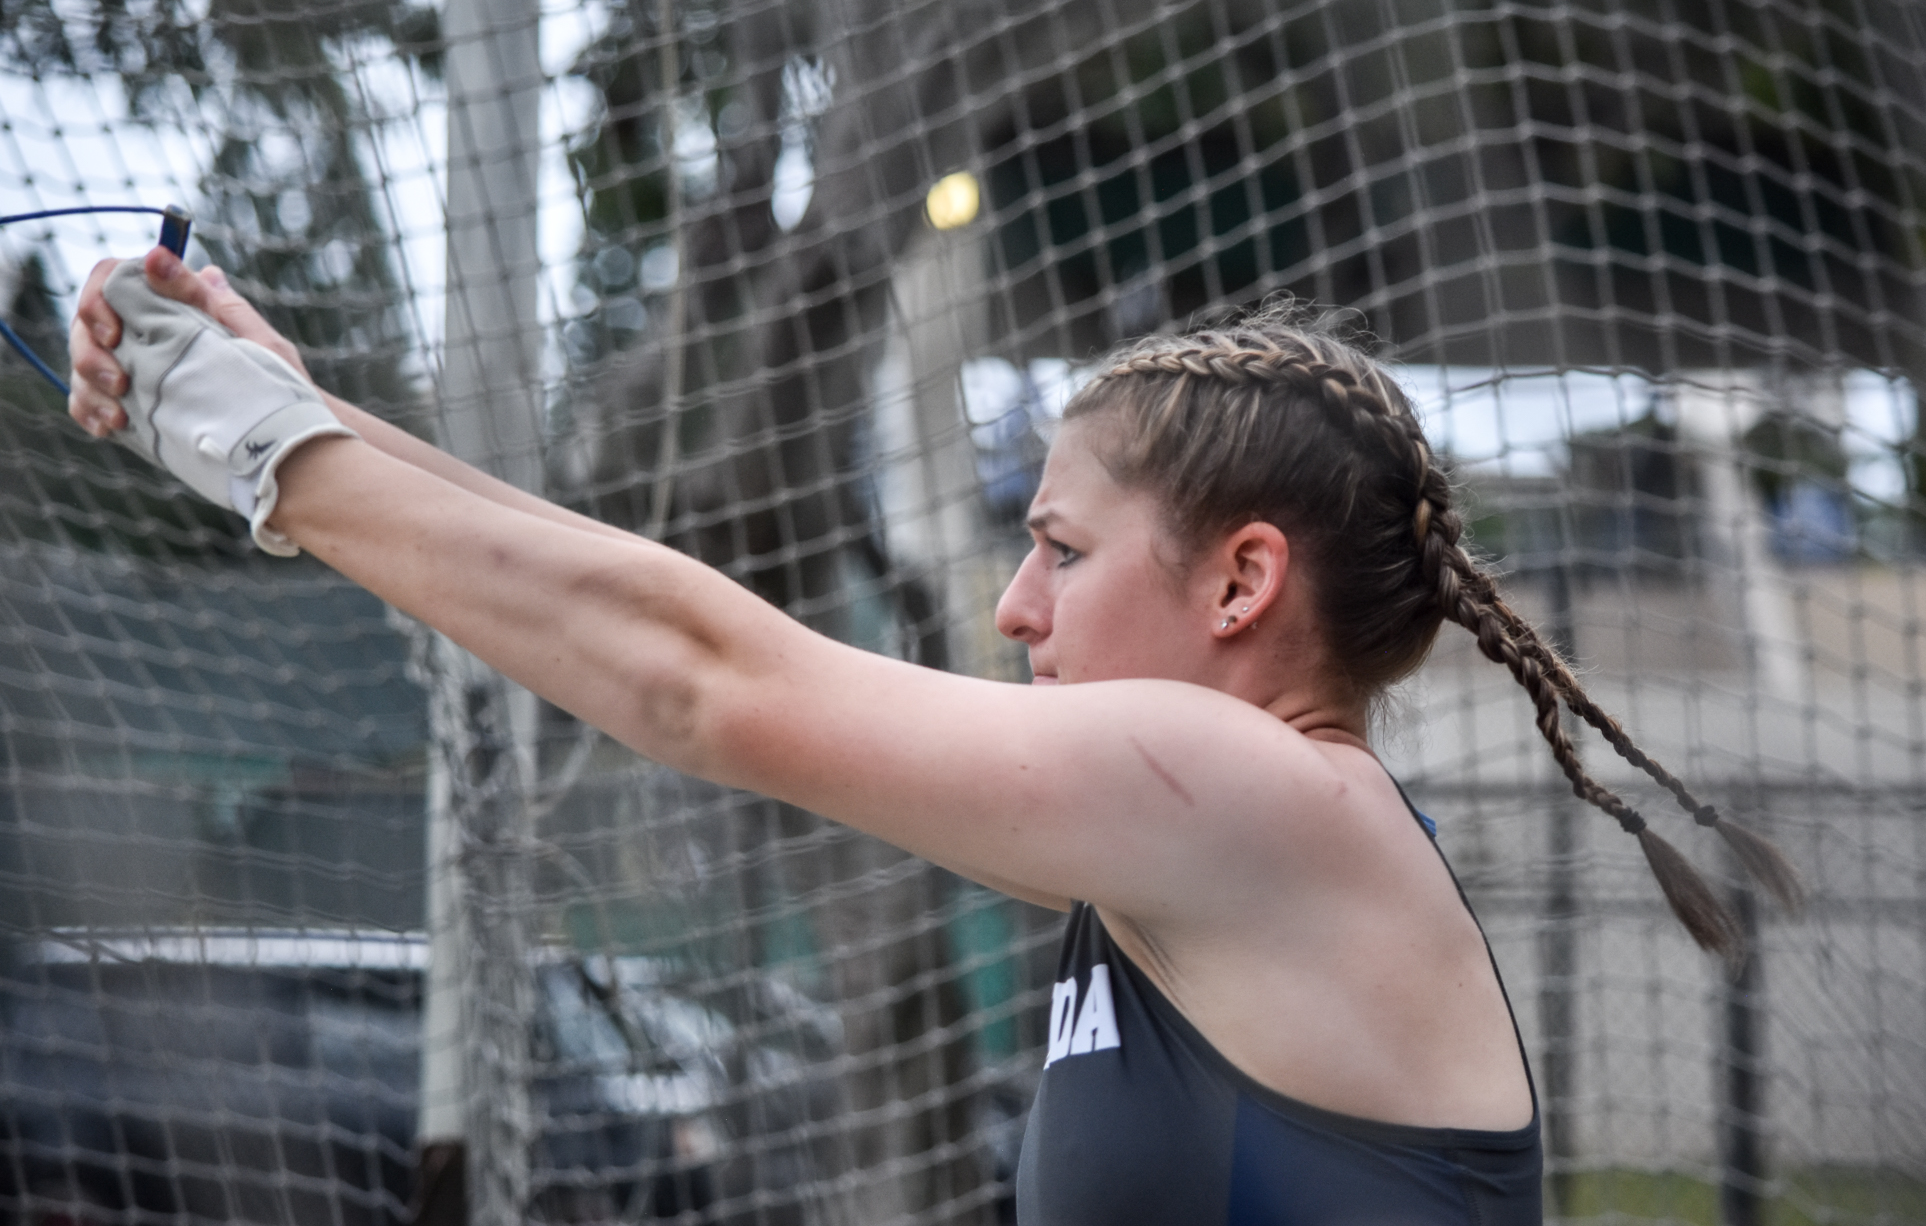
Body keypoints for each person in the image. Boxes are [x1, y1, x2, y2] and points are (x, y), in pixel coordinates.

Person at [68, 248, 1800, 1224]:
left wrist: (251, 445)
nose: (1013, 608)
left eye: (1057, 547)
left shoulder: (1254, 798)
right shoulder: (1189, 846)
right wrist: (294, 410)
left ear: (1241, 580)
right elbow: (644, 617)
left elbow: (702, 678)